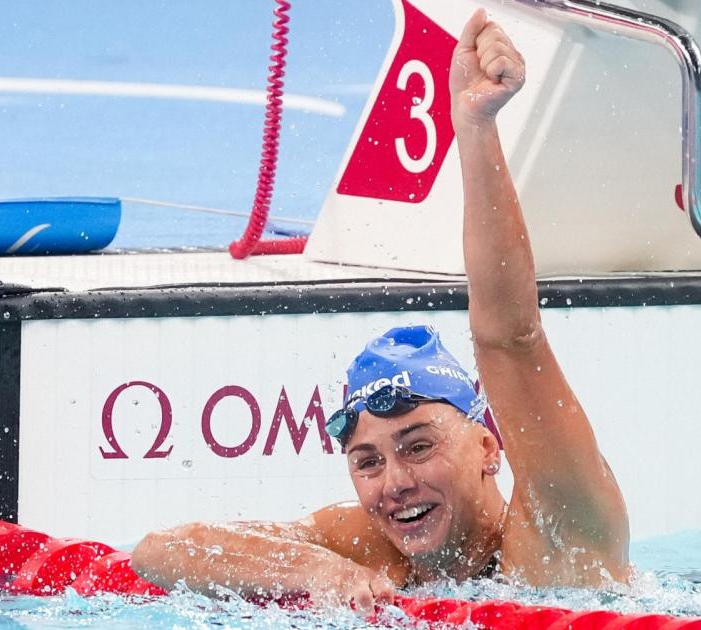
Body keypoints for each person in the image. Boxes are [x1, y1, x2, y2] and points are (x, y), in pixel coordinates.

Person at [132, 9, 629, 610]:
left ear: (488, 450)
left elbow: (511, 337)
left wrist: (474, 127)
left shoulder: (557, 530)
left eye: (419, 447)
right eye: (368, 461)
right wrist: (317, 568)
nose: (395, 483)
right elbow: (162, 551)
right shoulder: (368, 548)